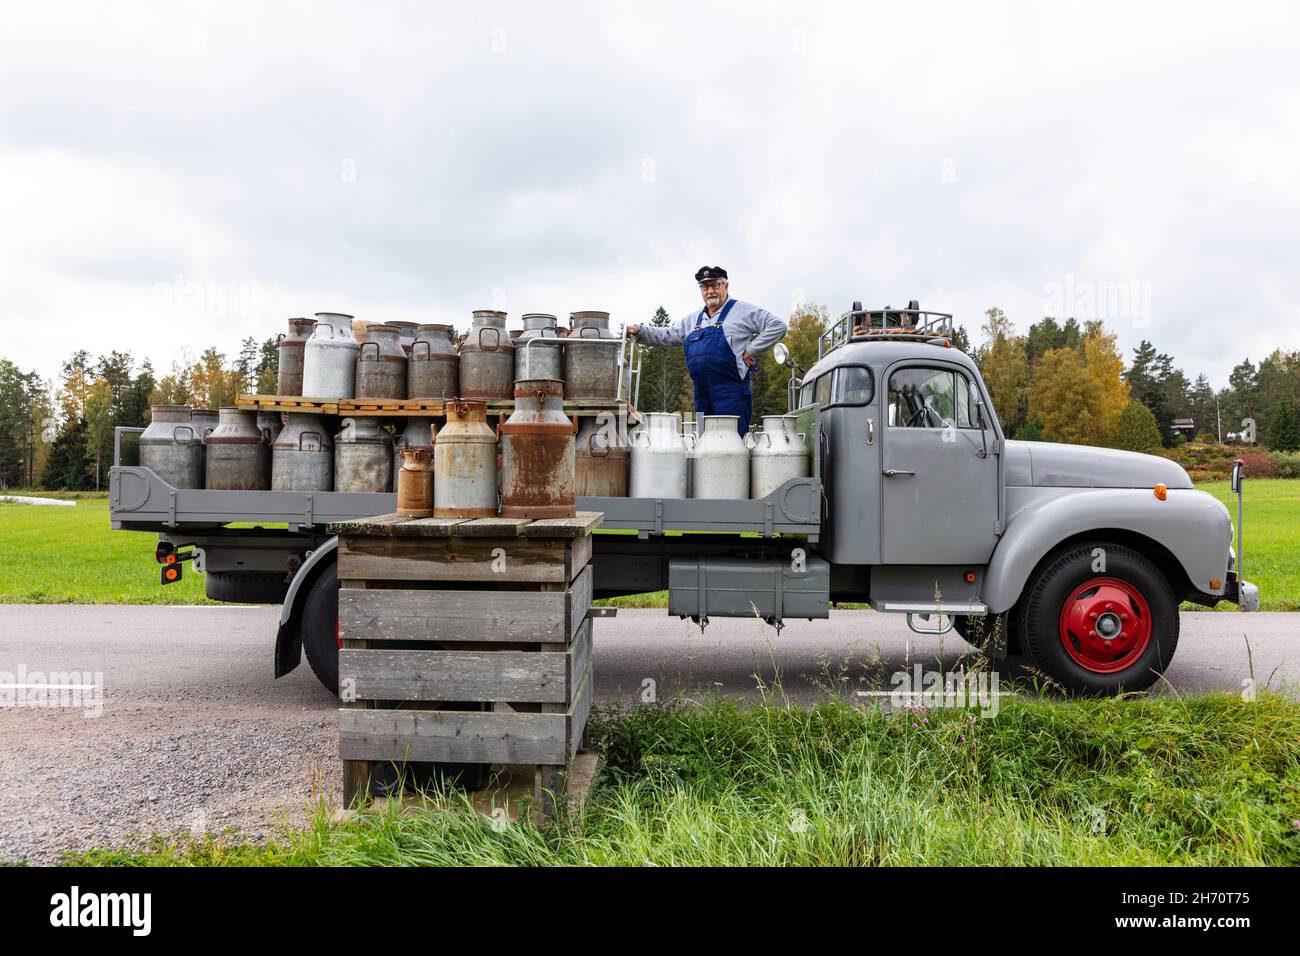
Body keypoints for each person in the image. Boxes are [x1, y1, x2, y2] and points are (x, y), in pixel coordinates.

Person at [628, 266, 787, 435]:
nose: (710, 291)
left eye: (715, 285)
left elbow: (778, 326)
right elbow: (669, 335)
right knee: (705, 445)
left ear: (726, 286)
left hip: (731, 393)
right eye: (705, 287)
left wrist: (751, 350)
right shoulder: (693, 319)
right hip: (701, 393)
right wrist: (641, 331)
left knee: (731, 444)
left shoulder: (743, 311)